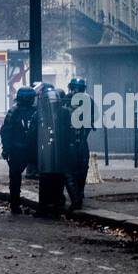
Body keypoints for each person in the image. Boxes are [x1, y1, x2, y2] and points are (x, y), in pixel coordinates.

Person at [0, 87, 39, 215]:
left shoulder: (13, 112)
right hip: (32, 149)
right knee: (45, 176)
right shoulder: (36, 112)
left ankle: (15, 204)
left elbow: (6, 132)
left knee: (15, 179)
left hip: (17, 150)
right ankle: (44, 205)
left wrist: (6, 149)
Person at [64, 77, 92, 210]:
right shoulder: (65, 100)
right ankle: (76, 198)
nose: (77, 90)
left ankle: (79, 193)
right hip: (68, 140)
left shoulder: (88, 100)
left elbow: (91, 120)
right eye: (75, 88)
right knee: (69, 169)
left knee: (82, 167)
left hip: (81, 139)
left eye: (80, 88)